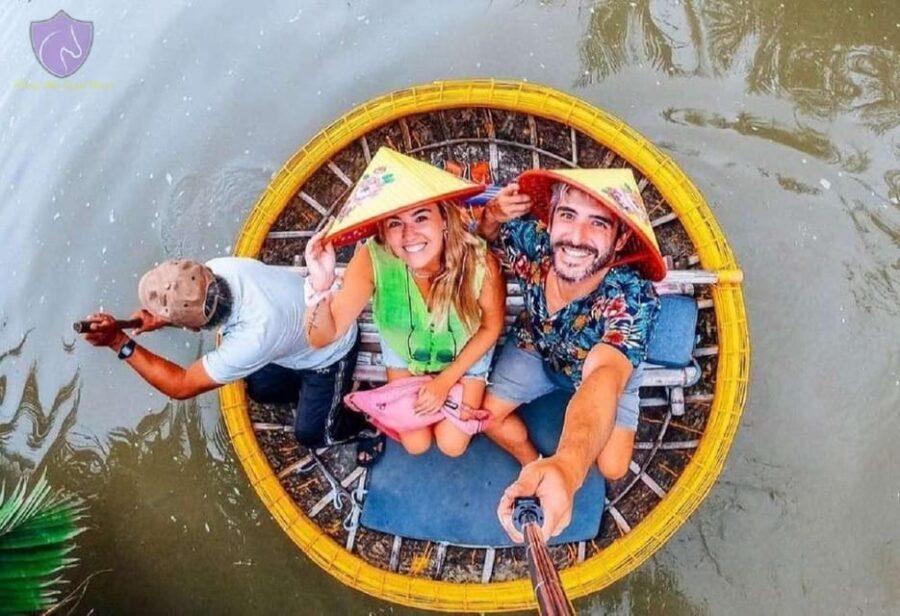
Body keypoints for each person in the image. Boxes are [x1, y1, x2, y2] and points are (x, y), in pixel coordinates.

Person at [476, 168, 666, 543]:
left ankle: (554, 471)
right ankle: (534, 463)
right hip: (536, 344)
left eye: (598, 223)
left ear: (620, 238)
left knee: (613, 466)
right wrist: (492, 215)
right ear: (549, 220)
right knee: (486, 418)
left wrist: (568, 466)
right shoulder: (533, 241)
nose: (577, 237)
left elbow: (604, 376)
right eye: (567, 215)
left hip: (600, 371)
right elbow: (486, 236)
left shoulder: (632, 297)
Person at [303, 147, 506, 457]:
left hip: (466, 349)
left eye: (420, 217)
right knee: (416, 444)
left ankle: (447, 398)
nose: (409, 235)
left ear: (443, 218)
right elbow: (321, 338)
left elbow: (491, 327)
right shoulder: (372, 259)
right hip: (404, 347)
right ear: (384, 231)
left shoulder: (479, 261)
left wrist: (444, 384)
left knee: (452, 445)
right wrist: (320, 285)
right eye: (395, 223)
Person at [78, 256, 377, 458]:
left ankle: (365, 422)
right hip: (292, 337)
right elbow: (201, 306)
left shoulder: (252, 339)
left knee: (311, 434)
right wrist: (162, 319)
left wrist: (118, 342)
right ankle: (319, 400)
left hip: (331, 350)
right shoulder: (220, 268)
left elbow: (181, 385)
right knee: (259, 389)